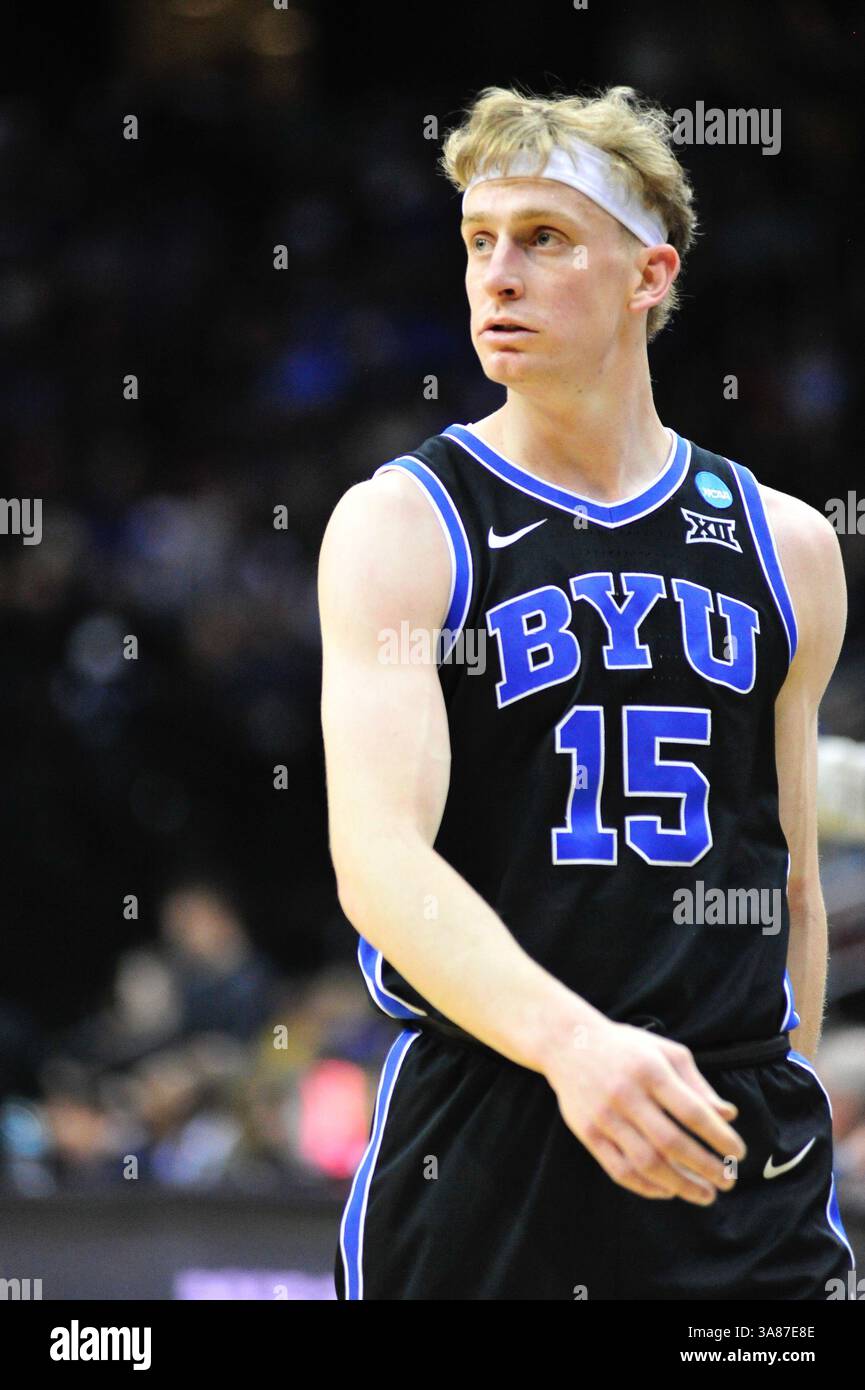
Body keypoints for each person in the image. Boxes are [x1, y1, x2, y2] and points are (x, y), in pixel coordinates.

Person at [318, 84, 855, 1299]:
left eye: (543, 238)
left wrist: (785, 1101)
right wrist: (575, 1047)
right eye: (477, 241)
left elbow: (789, 881)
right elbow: (379, 858)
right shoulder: (404, 524)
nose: (495, 274)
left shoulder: (784, 545)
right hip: (489, 1129)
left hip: (725, 1138)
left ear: (647, 275)